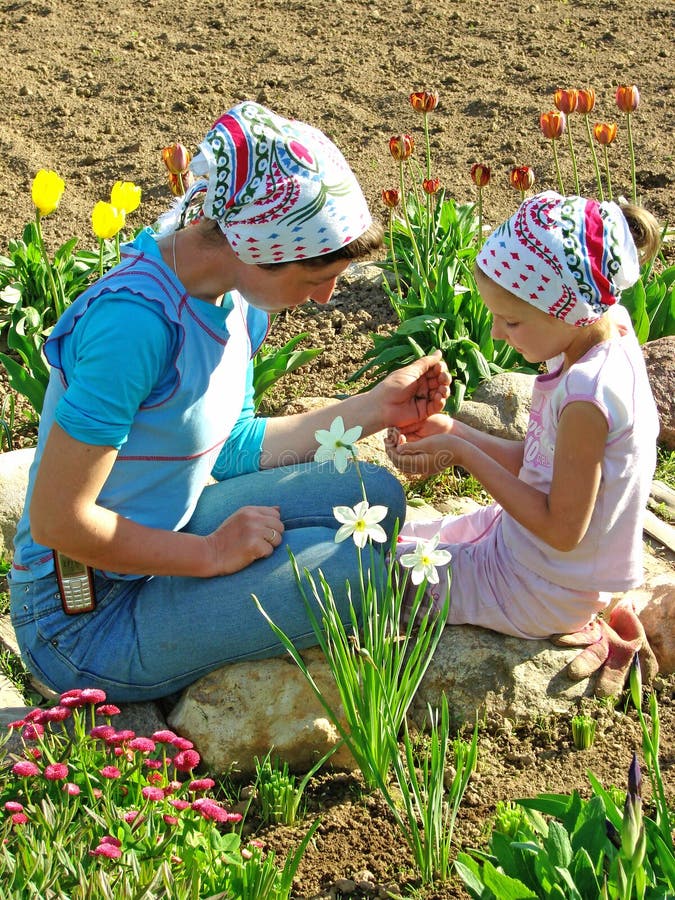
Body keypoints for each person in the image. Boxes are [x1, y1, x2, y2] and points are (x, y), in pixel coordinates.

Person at [9, 101, 450, 703]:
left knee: (376, 496)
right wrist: (211, 554)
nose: (326, 297)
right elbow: (62, 521)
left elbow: (233, 442)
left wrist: (374, 408)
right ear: (255, 248)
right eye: (315, 275)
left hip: (163, 531)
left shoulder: (238, 297)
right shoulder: (134, 326)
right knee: (359, 574)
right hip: (82, 612)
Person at [386, 190, 661, 694]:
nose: (496, 332)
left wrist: (464, 454)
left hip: (537, 587)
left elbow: (561, 529)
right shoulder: (603, 332)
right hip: (525, 550)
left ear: (569, 309)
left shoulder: (588, 398)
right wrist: (455, 431)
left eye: (512, 321)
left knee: (377, 576)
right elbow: (539, 466)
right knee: (398, 538)